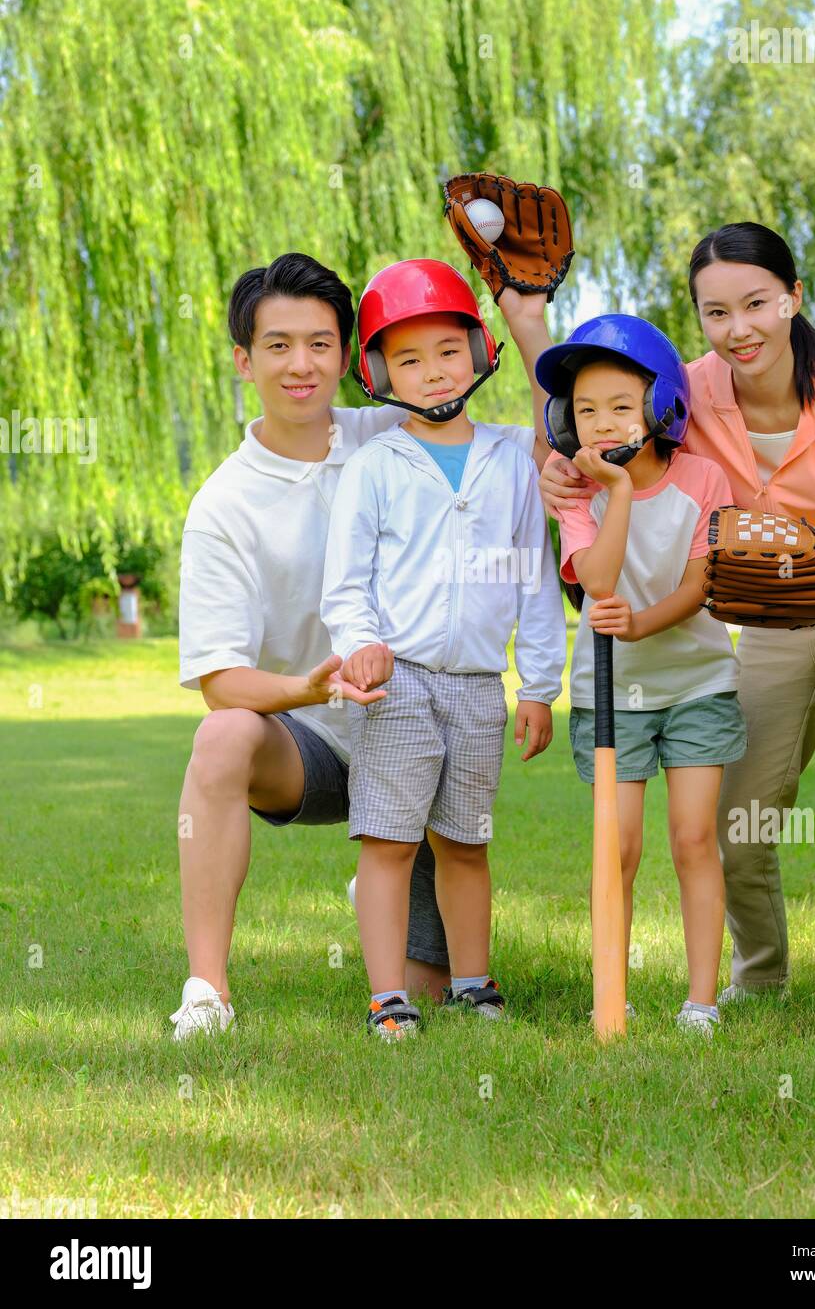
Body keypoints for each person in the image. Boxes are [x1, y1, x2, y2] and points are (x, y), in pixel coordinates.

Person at [536, 223, 815, 1052]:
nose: (739, 328)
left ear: (792, 298)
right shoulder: (683, 391)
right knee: (742, 812)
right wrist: (557, 459)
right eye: (716, 312)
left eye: (757, 303)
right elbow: (599, 407)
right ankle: (758, 976)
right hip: (777, 614)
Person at [173, 253, 549, 1040]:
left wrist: (523, 318)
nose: (300, 364)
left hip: (426, 723)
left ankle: (399, 902)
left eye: (319, 343)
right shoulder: (224, 504)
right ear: (244, 361)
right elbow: (219, 682)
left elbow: (546, 457)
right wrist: (317, 687)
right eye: (277, 345)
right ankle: (206, 989)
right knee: (222, 734)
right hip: (310, 740)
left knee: (430, 984)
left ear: (350, 358)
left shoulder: (395, 429)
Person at [321, 259, 565, 1041]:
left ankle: (471, 982)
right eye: (409, 358)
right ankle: (387, 995)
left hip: (474, 687)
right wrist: (359, 645)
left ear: (481, 350)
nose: (431, 372)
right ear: (378, 370)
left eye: (447, 352)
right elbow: (346, 583)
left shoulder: (513, 459)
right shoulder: (373, 467)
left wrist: (538, 685)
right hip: (400, 683)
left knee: (465, 843)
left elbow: (533, 578)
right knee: (390, 843)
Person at [536, 315, 745, 1037]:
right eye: (584, 411)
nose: (600, 424)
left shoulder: (703, 479)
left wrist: (644, 622)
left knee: (692, 839)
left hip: (696, 685)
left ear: (662, 408)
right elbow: (595, 579)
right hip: (611, 698)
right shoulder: (575, 491)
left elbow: (700, 587)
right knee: (617, 848)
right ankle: (611, 992)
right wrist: (613, 492)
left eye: (620, 407)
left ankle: (700, 1001)